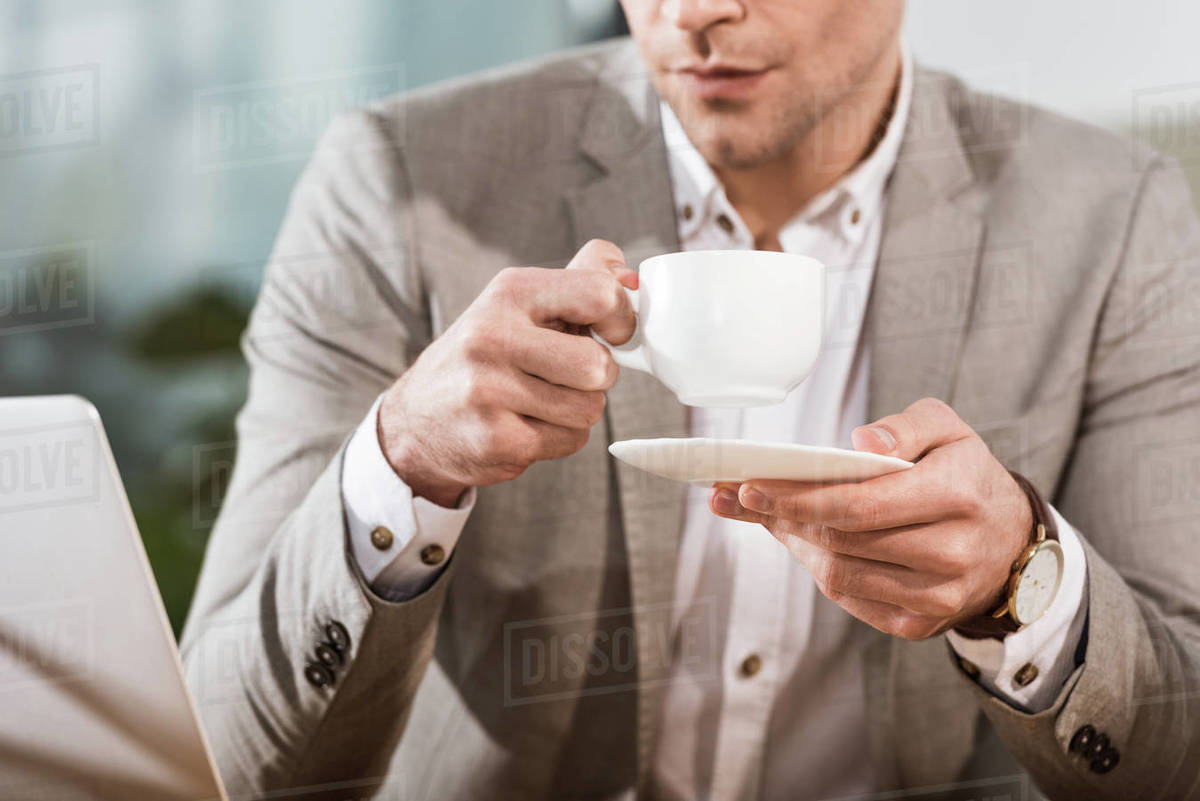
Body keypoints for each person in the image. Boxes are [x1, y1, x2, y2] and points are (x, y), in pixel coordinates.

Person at [180, 1, 1200, 799]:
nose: (694, 11)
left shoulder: (1115, 226)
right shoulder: (396, 189)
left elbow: (1178, 754)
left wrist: (1021, 581)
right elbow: (222, 763)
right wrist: (401, 462)